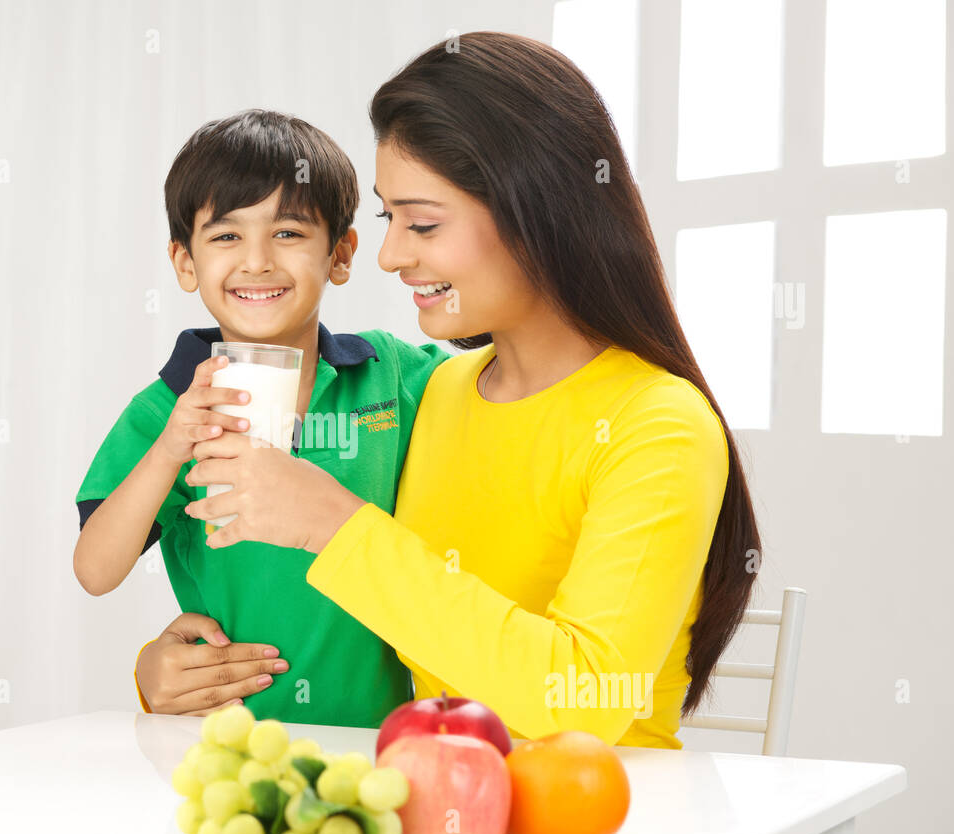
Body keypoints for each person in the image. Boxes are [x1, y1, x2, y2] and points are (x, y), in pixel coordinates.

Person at [140, 33, 762, 749]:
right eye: (388, 217)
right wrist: (174, 670)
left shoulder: (658, 425)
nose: (389, 254)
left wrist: (336, 525)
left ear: (540, 211)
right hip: (428, 818)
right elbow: (359, 625)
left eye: (424, 222)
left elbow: (581, 701)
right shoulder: (437, 390)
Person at [74, 109, 450, 726]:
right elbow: (94, 570)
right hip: (225, 740)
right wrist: (172, 447)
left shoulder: (390, 374)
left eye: (288, 233)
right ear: (185, 262)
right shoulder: (165, 411)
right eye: (225, 236)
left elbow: (505, 373)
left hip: (379, 743)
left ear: (341, 253)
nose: (256, 262)